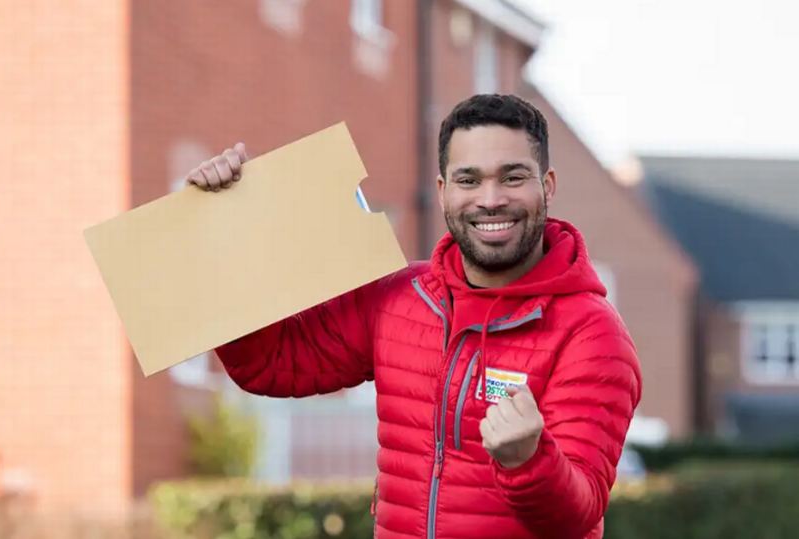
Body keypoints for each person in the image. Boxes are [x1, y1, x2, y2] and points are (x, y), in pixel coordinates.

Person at [186, 94, 642, 539]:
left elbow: (575, 516)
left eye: (512, 177)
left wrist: (528, 460)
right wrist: (232, 223)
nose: (490, 199)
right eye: (468, 180)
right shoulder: (400, 297)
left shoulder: (591, 333)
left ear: (547, 186)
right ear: (443, 192)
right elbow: (269, 365)